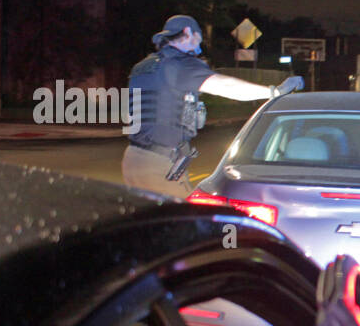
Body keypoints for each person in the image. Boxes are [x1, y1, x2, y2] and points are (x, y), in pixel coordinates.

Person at [123, 14, 302, 197]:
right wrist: (274, 92)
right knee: (183, 214)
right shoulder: (180, 64)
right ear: (188, 32)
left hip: (134, 158)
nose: (199, 47)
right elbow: (226, 86)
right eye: (198, 39)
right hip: (160, 165)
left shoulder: (143, 67)